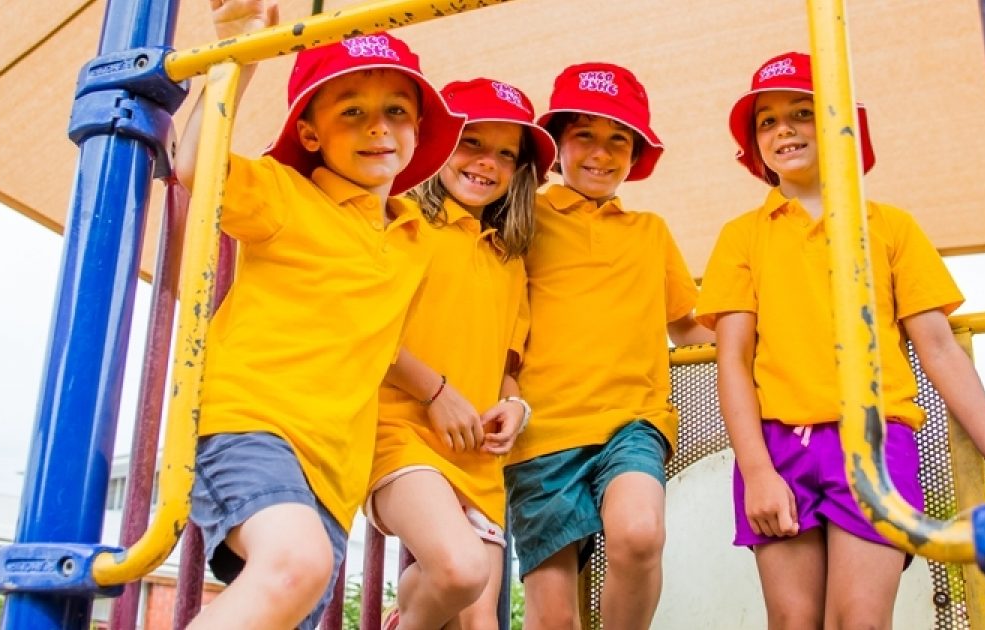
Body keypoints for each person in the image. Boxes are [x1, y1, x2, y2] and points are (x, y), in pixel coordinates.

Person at [697, 51, 985, 629]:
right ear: (755, 146)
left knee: (860, 619)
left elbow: (939, 349)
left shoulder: (891, 226)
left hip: (877, 441)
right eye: (767, 120)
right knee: (792, 620)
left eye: (802, 112)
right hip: (778, 446)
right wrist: (756, 469)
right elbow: (732, 359)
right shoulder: (742, 236)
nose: (783, 129)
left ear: (839, 124)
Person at [174, 2, 465, 628]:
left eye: (396, 111)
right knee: (294, 565)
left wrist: (442, 393)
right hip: (251, 422)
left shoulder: (414, 238)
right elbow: (196, 167)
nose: (377, 127)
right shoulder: (286, 195)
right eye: (351, 111)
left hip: (334, 471)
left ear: (417, 130)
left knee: (291, 595)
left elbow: (379, 342)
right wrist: (237, 55)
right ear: (310, 134)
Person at [504, 62, 714, 630]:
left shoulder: (650, 232)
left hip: (632, 420)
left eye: (618, 139)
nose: (601, 153)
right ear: (557, 146)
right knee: (554, 619)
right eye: (584, 136)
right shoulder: (524, 217)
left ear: (636, 153)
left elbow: (686, 326)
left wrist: (765, 342)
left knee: (639, 535)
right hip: (541, 431)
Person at [366, 77, 557, 630]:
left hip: (476, 457)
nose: (486, 162)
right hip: (399, 435)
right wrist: (437, 392)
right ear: (436, 142)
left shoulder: (507, 259)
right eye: (470, 142)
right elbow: (365, 331)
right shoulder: (398, 221)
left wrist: (515, 407)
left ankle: (413, 605)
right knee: (456, 570)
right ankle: (412, 605)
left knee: (479, 623)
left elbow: (505, 368)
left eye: (505, 154)